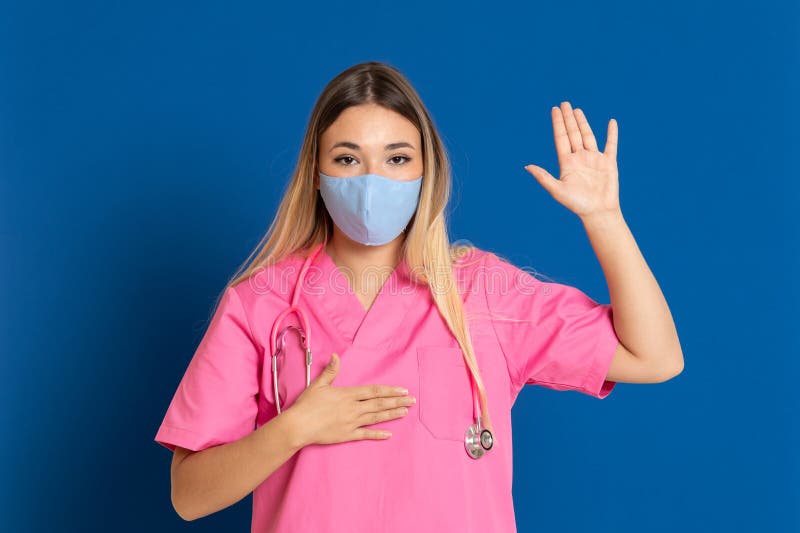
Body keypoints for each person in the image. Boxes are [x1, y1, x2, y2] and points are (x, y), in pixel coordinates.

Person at [153, 60, 684, 532]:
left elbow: (654, 357)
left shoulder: (484, 291)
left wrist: (604, 219)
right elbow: (189, 496)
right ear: (315, 175)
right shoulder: (262, 303)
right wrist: (293, 430)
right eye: (347, 159)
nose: (372, 181)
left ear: (426, 171)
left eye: (397, 159)